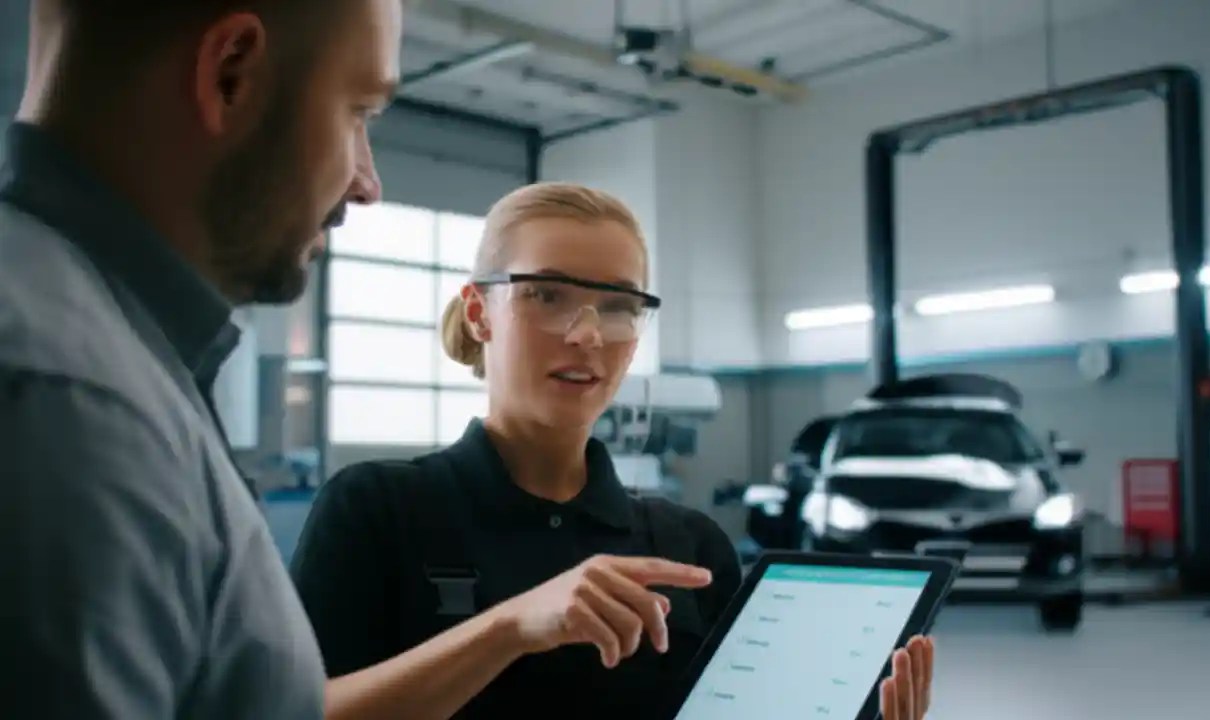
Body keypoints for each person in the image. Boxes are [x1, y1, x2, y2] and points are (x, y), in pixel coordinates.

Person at [0, 2, 708, 719]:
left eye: (617, 306)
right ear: (231, 71)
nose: (368, 183)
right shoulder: (65, 402)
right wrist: (504, 631)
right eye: (357, 111)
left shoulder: (134, 377)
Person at [289, 181, 937, 719]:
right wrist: (507, 629)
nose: (589, 334)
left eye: (619, 305)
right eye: (548, 295)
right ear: (480, 313)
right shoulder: (378, 510)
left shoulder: (689, 548)